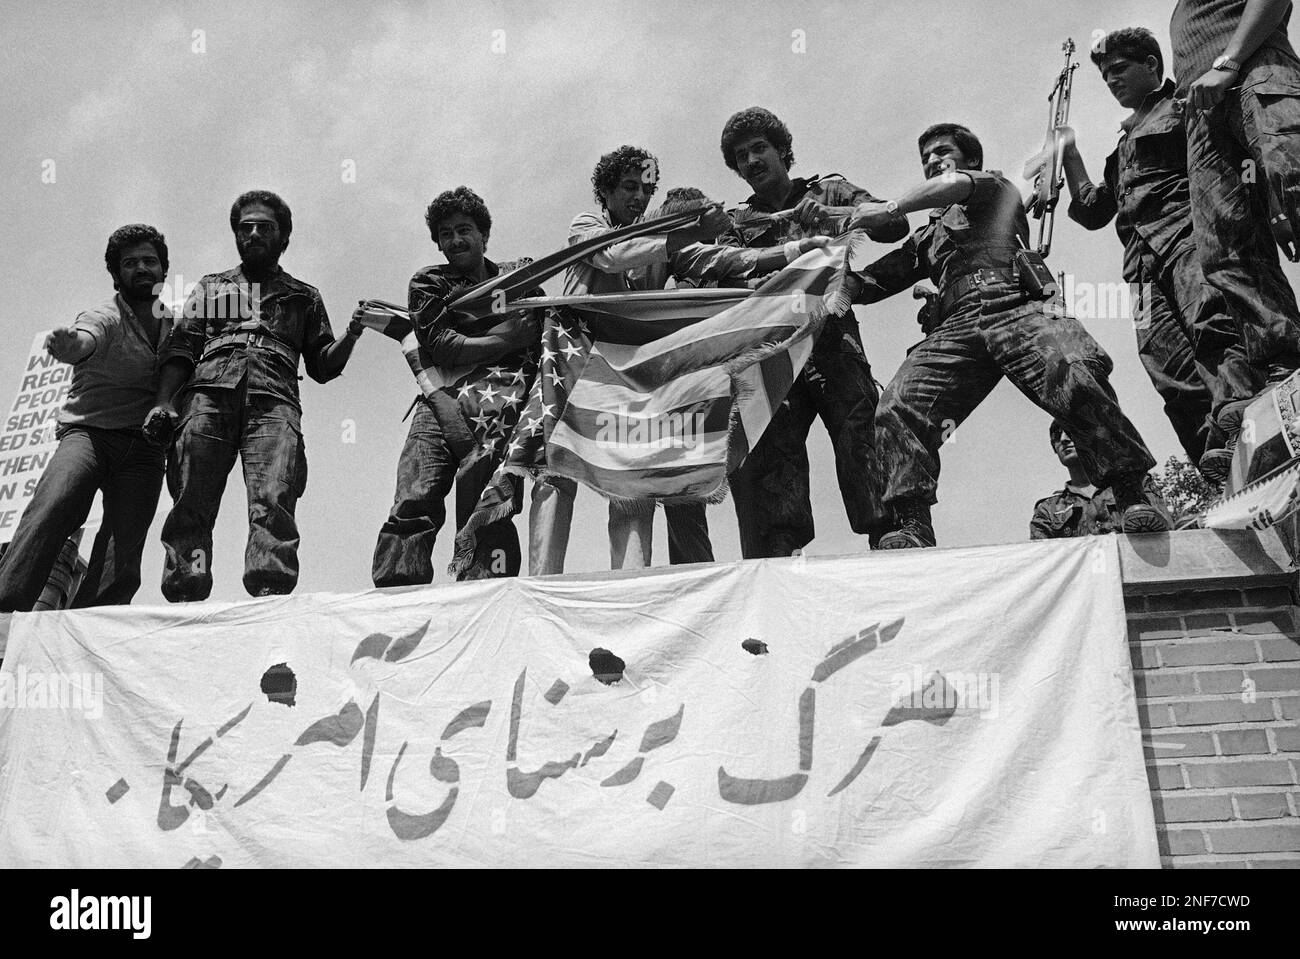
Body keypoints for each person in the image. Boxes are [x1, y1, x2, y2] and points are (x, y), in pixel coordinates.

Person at [849, 122, 1171, 547]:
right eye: (925, 156)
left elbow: (953, 185)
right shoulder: (928, 235)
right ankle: (912, 525)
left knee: (1073, 374)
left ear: (971, 160)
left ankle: (1130, 492)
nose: (931, 160)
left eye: (942, 151)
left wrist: (892, 207)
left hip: (1016, 301)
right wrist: (828, 280)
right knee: (899, 406)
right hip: (957, 321)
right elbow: (875, 281)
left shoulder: (994, 187)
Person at [531, 146, 827, 572]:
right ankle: (543, 581)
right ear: (606, 191)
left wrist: (796, 251)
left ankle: (632, 580)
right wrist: (681, 235)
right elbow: (610, 255)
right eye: (630, 187)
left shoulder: (662, 242)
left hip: (622, 370)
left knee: (631, 475)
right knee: (556, 467)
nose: (639, 198)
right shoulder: (587, 224)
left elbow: (723, 258)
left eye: (646, 190)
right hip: (572, 358)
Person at [1061, 26, 1258, 481]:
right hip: (1142, 269)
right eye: (1105, 75)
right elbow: (1093, 211)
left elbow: (1234, 155)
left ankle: (1242, 411)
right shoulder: (1122, 148)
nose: (1112, 81)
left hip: (1190, 238)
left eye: (1119, 69)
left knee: (1214, 325)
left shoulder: (1187, 104)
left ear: (1151, 64)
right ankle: (1216, 458)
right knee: (1166, 367)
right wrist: (1069, 153)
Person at [147, 191, 363, 600]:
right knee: (191, 496)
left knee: (274, 499)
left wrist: (353, 334)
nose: (254, 233)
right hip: (208, 394)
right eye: (245, 227)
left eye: (265, 227)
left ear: (283, 237)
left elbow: (323, 366)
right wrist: (164, 402)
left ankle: (270, 590)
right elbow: (181, 347)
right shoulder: (212, 287)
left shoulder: (304, 296)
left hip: (275, 401)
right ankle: (184, 592)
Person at [718, 107, 909, 558]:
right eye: (741, 156)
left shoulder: (829, 190)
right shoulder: (737, 222)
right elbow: (721, 272)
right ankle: (780, 550)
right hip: (772, 346)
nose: (751, 161)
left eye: (759, 148)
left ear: (783, 150)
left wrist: (836, 214)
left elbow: (895, 223)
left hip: (831, 336)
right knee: (771, 445)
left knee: (859, 426)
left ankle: (888, 534)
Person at [372, 186, 540, 585]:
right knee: (416, 496)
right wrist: (507, 339)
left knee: (492, 505)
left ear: (485, 234)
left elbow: (542, 330)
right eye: (445, 234)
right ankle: (397, 593)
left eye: (464, 229)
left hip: (501, 414)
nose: (455, 240)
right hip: (441, 406)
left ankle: (487, 593)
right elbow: (443, 347)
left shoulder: (519, 279)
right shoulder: (428, 282)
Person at [0, 224, 172, 611]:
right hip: (89, 434)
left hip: (144, 448)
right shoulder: (106, 315)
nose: (142, 268)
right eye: (130, 263)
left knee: (123, 545)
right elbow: (85, 339)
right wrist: (69, 346)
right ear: (116, 274)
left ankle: (96, 622)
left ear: (164, 270)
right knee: (55, 503)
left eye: (150, 261)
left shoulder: (176, 327)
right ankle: (6, 607)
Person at [1172, 0, 1300, 411]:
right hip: (1205, 117)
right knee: (1225, 249)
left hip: (1255, 74)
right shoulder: (1180, 11)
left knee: (1295, 181)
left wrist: (1227, 62)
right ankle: (1286, 364)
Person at [1031, 420, 1128, 538]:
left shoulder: (1130, 489)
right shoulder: (1048, 510)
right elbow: (1042, 554)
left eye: (1070, 432)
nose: (1063, 439)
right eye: (1056, 436)